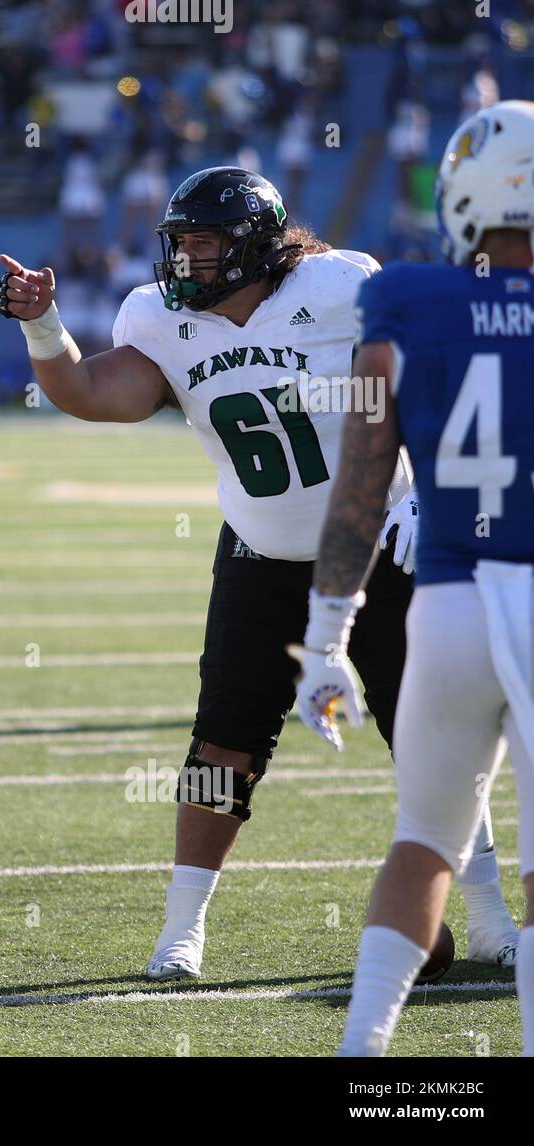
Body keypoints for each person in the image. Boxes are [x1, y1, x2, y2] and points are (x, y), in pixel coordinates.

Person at [0, 164, 518, 982]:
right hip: (260, 556)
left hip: (379, 544)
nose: (186, 261)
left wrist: (432, 492)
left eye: (204, 244)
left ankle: (489, 919)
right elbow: (93, 391)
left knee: (435, 735)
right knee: (223, 745)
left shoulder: (344, 286)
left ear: (255, 248)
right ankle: (181, 929)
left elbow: (439, 379)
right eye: (182, 243)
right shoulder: (161, 319)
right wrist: (43, 326)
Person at [291, 101, 534, 1055]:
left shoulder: (405, 302)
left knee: (425, 841)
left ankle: (364, 1062)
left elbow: (359, 488)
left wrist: (324, 639)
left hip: (450, 604)